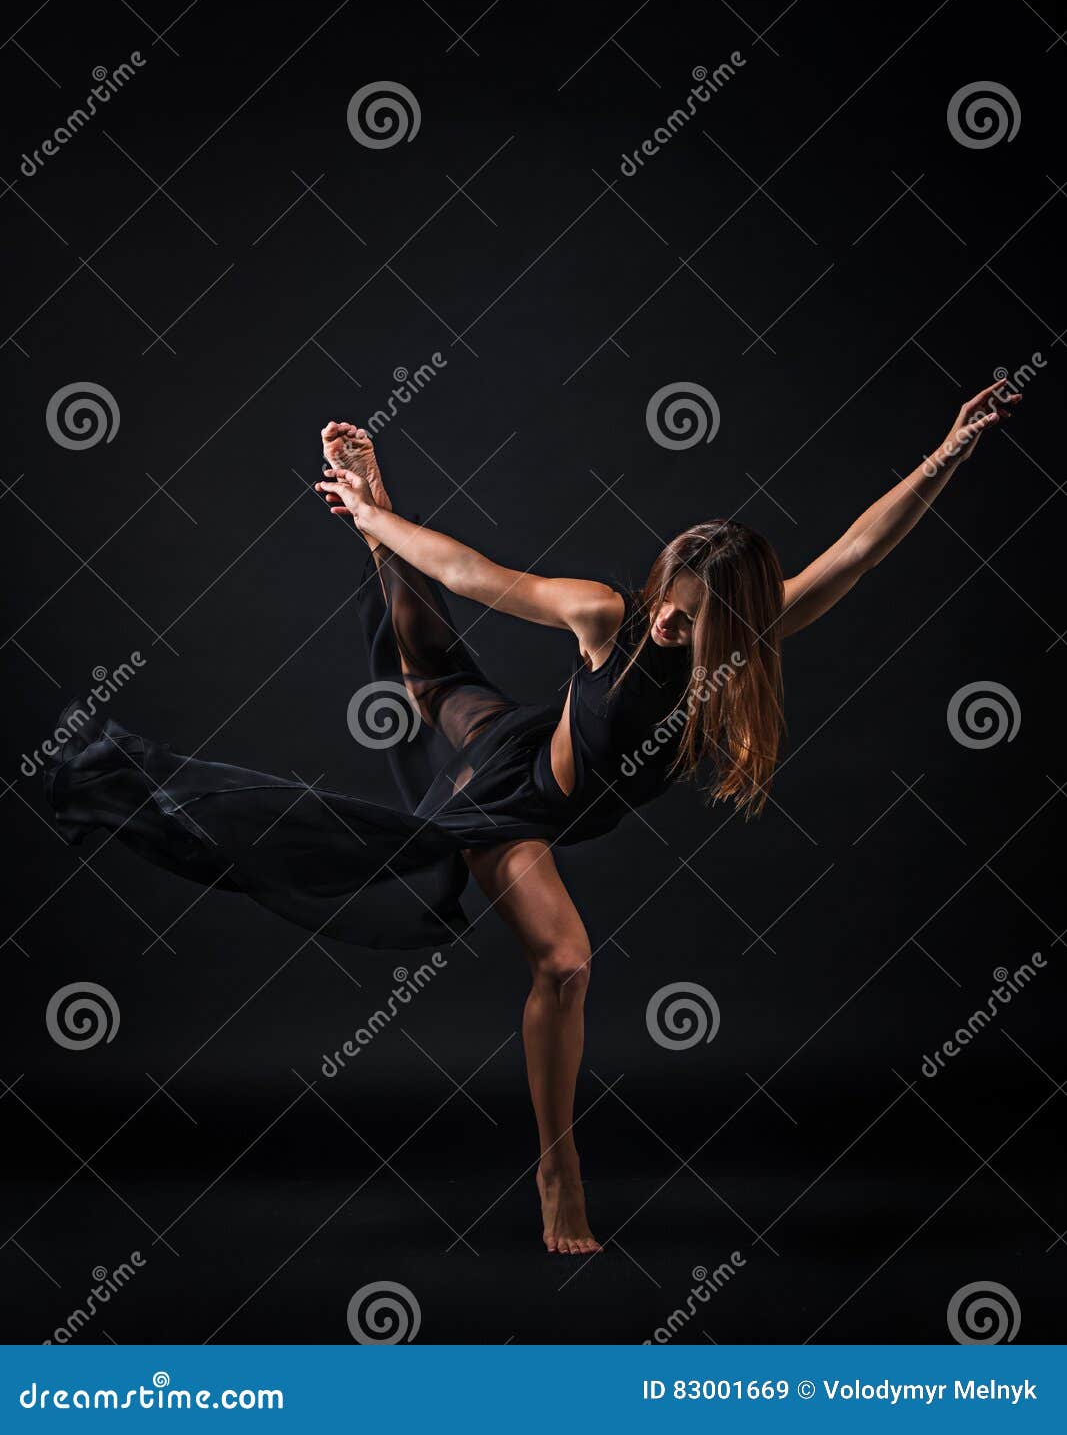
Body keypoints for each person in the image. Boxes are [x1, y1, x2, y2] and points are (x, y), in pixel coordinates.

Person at [44, 380, 1019, 1253]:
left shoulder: (751, 637)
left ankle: (375, 514)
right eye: (666, 601)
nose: (667, 622)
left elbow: (857, 550)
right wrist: (373, 517)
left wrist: (947, 452)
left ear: (732, 620)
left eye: (689, 618)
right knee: (564, 961)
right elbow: (471, 572)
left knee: (433, 670)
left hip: (510, 740)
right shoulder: (604, 615)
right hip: (510, 800)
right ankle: (559, 1170)